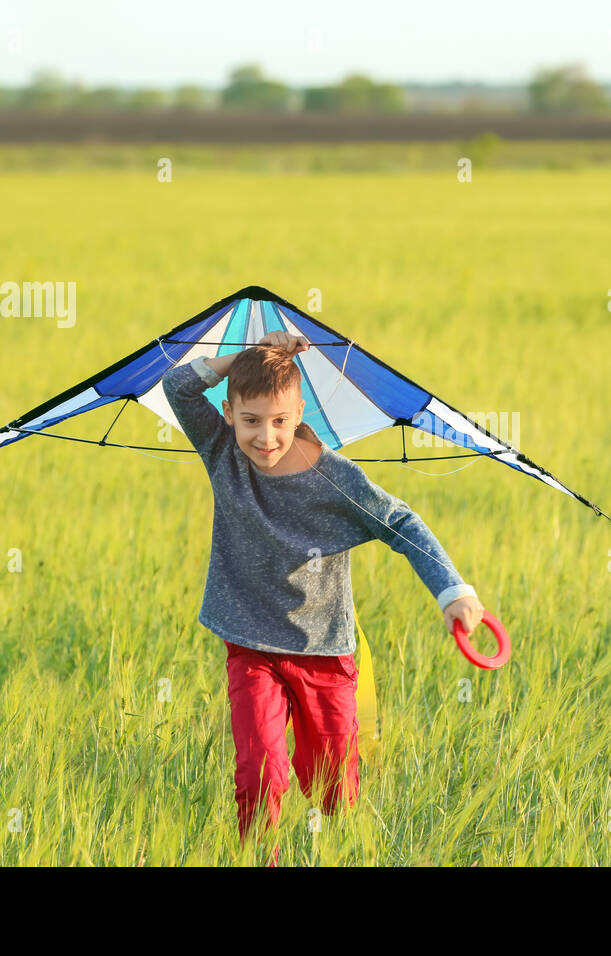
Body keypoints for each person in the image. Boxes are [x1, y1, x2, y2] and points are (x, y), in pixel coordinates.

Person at [161, 330, 484, 864]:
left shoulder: (332, 478)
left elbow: (401, 523)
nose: (265, 437)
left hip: (323, 648)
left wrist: (452, 590)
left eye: (280, 421)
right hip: (250, 646)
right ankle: (256, 857)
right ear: (229, 413)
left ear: (299, 412)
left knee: (332, 783)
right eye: (250, 421)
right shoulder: (222, 451)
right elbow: (177, 389)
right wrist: (236, 360)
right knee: (260, 767)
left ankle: (337, 850)